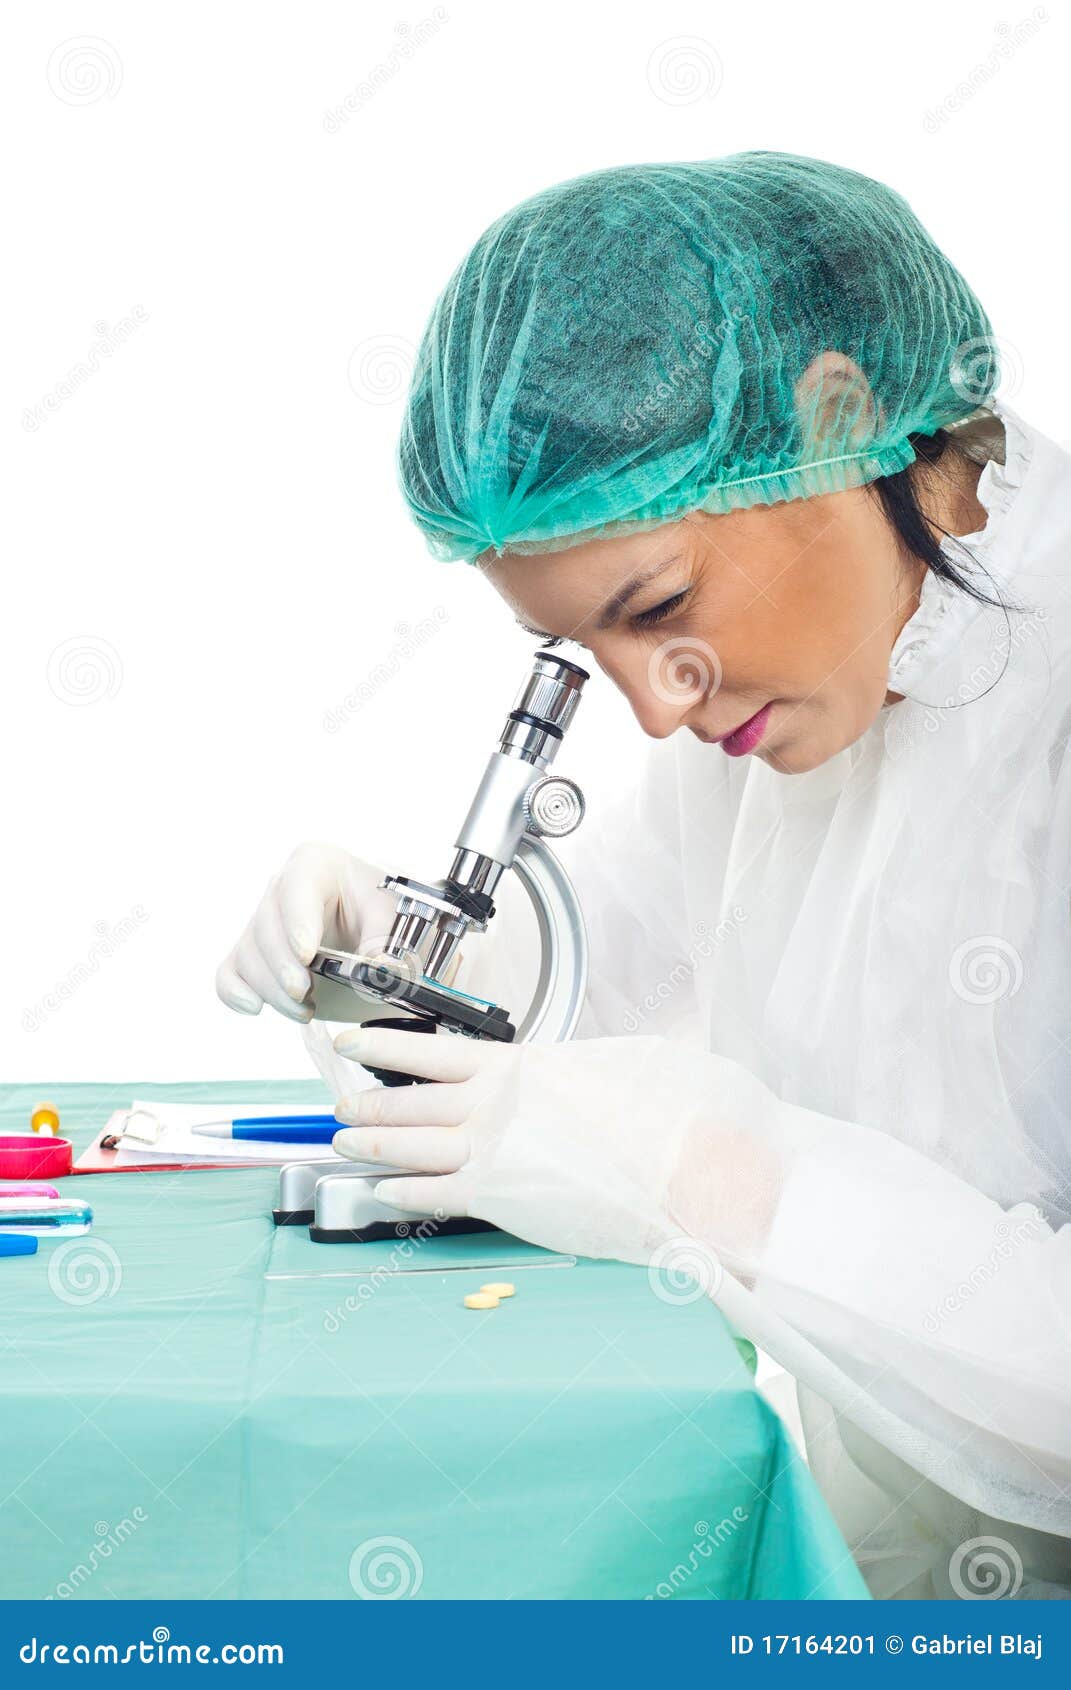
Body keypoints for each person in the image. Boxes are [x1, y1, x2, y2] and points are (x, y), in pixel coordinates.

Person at [217, 154, 1071, 1599]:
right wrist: (404, 958)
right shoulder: (793, 702)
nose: (658, 709)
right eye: (591, 651)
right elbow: (599, 978)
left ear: (839, 421)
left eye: (661, 605)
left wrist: (722, 1181)